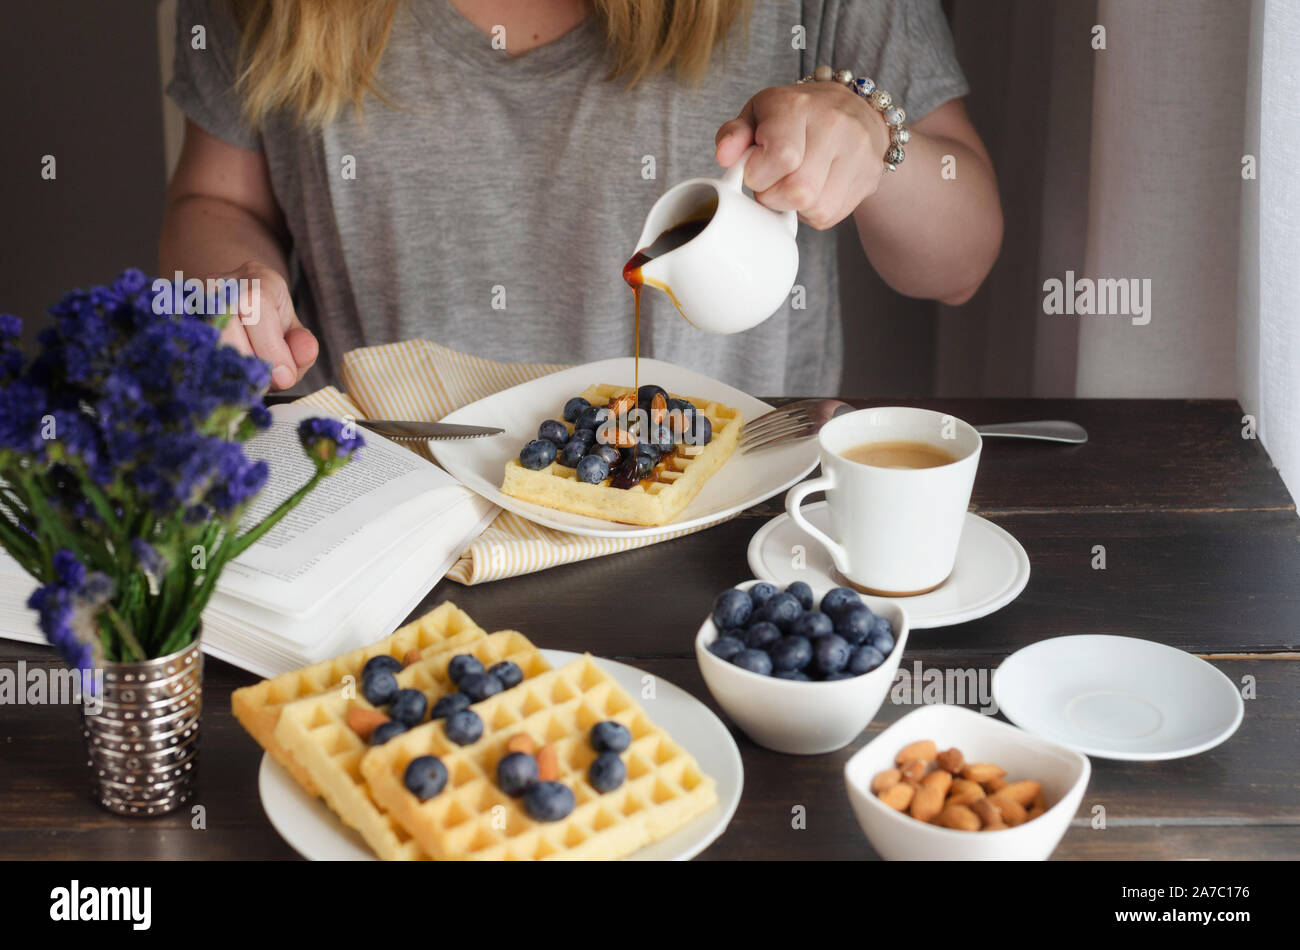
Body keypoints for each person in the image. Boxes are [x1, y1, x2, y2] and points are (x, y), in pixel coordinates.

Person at [161, 0, 1001, 395]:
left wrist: (875, 139)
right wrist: (229, 290)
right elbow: (217, 203)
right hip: (382, 526)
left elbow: (960, 261)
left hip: (723, 541)